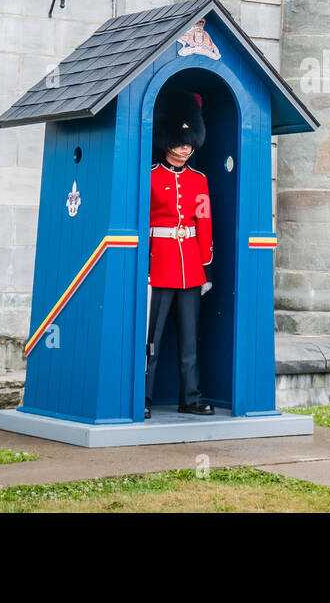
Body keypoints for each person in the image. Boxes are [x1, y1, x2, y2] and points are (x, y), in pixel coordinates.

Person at [146, 91, 214, 418]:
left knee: (189, 342)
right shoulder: (150, 177)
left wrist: (205, 269)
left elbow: (205, 225)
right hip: (158, 266)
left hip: (190, 267)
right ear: (167, 140)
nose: (185, 146)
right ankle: (143, 397)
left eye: (189, 141)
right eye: (180, 140)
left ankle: (191, 398)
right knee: (152, 341)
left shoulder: (199, 181)